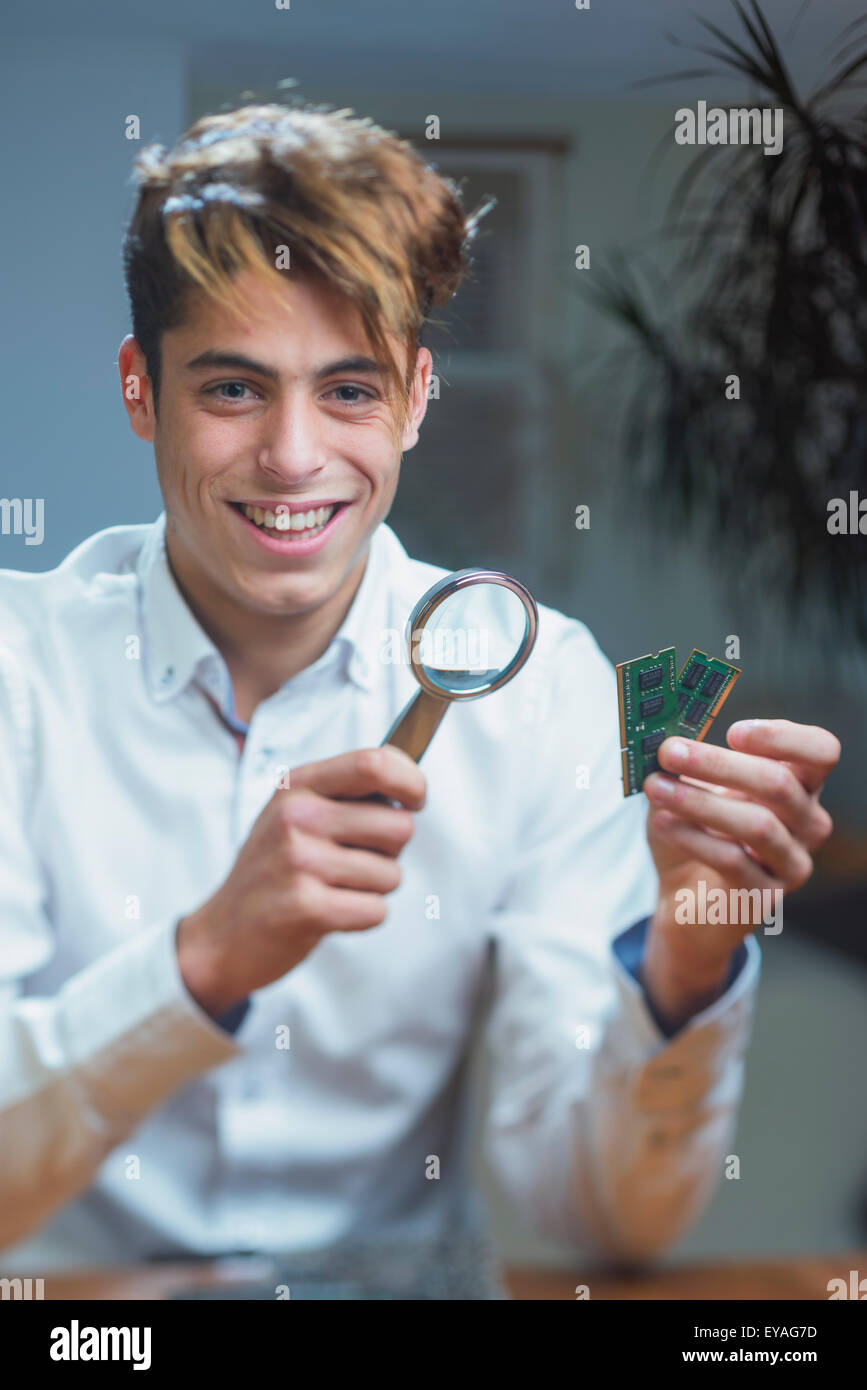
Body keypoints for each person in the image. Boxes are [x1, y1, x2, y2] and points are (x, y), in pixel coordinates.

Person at [0, 103, 840, 1274]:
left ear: (416, 395)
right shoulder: (15, 669)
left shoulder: (544, 681)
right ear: (142, 391)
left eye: (349, 390)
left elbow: (606, 1223)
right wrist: (201, 963)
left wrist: (689, 956)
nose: (295, 456)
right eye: (233, 390)